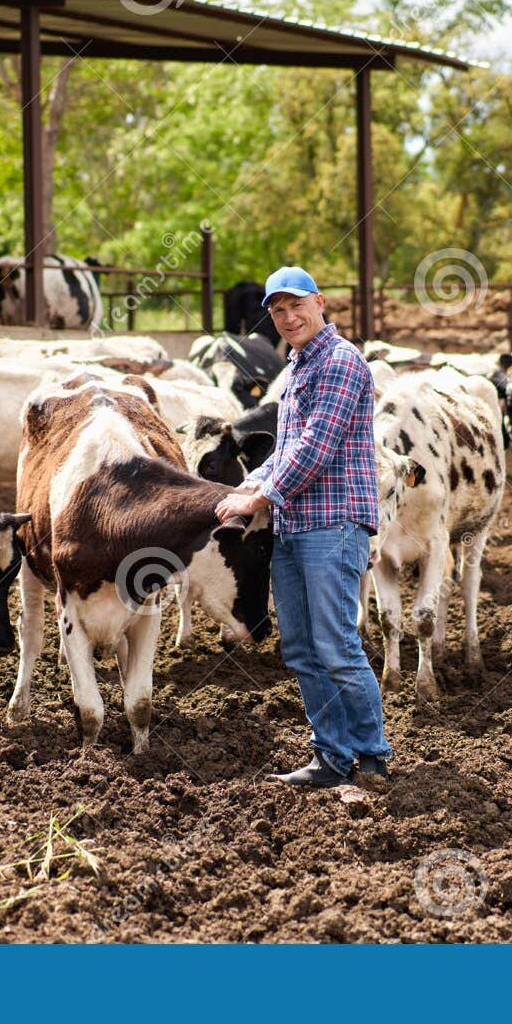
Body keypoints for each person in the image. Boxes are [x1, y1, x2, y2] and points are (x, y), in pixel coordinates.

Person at [214, 266, 392, 791]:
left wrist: (259, 498)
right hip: (294, 526)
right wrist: (243, 491)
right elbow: (286, 453)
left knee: (336, 644)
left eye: (296, 306)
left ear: (319, 303)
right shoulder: (293, 371)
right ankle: (332, 756)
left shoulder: (339, 362)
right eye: (277, 310)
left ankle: (372, 757)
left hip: (333, 525)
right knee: (301, 648)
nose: (288, 317)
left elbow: (316, 448)